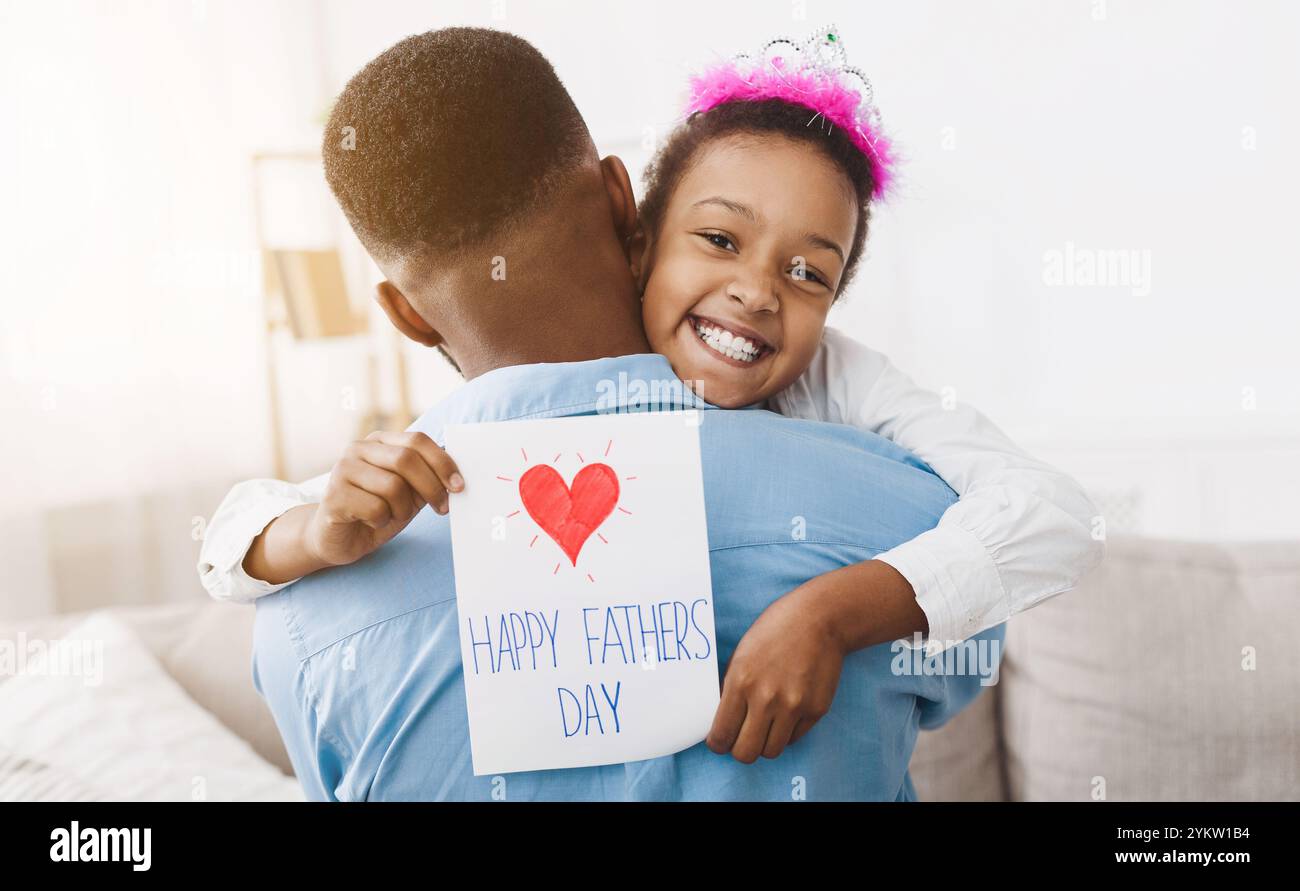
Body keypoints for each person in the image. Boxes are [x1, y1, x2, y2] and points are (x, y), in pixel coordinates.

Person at [204, 28, 1100, 796]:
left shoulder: (304, 627)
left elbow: (1045, 517)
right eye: (722, 239)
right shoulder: (909, 517)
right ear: (625, 204)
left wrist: (311, 547)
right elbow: (973, 633)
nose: (753, 292)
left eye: (807, 272)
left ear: (403, 312)